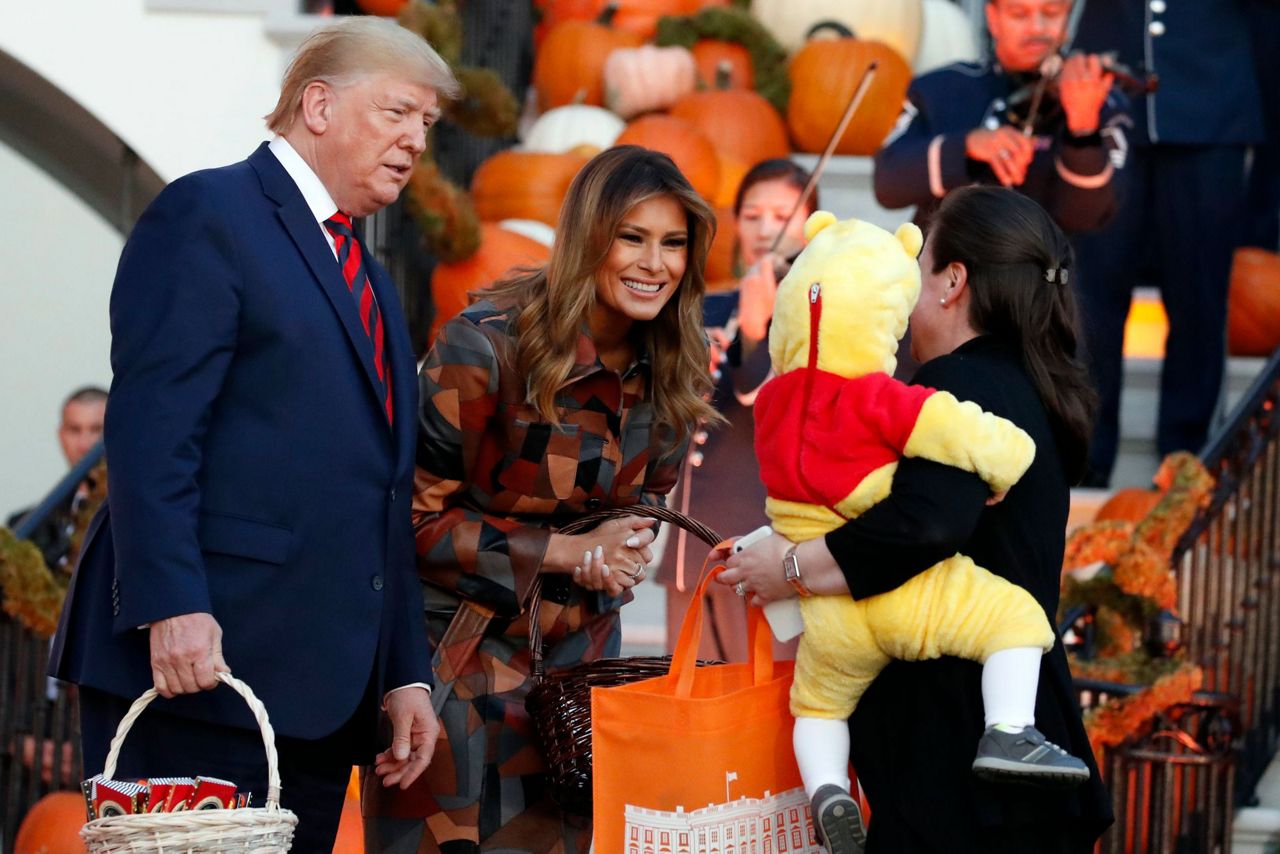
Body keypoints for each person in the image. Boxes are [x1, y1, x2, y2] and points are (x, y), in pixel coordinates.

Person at [48, 19, 460, 851]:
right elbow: (153, 430)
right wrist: (173, 605)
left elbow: (382, 493)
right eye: (397, 113)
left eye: (427, 123)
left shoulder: (371, 276)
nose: (416, 141)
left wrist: (404, 672)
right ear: (319, 105)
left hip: (318, 694)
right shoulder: (209, 212)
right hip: (195, 671)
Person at [719, 187, 1113, 852]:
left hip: (957, 756)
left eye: (920, 267)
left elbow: (924, 524)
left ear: (953, 282)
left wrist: (789, 568)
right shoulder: (1026, 382)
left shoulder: (959, 387)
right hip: (1002, 753)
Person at [362, 145, 720, 852]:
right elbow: (407, 521)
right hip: (454, 674)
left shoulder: (678, 360)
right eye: (633, 238)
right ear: (589, 238)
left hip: (580, 691)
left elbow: (644, 502)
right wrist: (562, 551)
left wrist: (621, 550)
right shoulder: (485, 347)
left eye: (674, 243)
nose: (655, 264)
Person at [1071, 0, 1266, 486]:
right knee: (1092, 294)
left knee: (1199, 298)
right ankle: (1083, 463)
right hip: (1107, 97)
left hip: (1210, 104)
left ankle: (1186, 469)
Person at [657, 158, 816, 661]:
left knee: (761, 700)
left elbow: (770, 404)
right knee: (690, 699)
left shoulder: (817, 318)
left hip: (764, 544)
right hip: (692, 546)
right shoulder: (707, 308)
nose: (766, 229)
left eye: (782, 215)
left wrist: (753, 332)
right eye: (751, 215)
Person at [874, 0, 1126, 234]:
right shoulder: (941, 87)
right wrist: (967, 146)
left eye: (1052, 13)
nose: (1037, 27)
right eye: (1019, 14)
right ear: (993, 18)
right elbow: (887, 185)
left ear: (1068, 19)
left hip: (1047, 265)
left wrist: (1083, 129)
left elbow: (1086, 218)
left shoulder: (1101, 97)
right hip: (947, 261)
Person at [7, 386, 107, 570]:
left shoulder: (140, 513)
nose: (84, 444)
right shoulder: (30, 526)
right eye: (74, 430)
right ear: (61, 435)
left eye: (96, 430)